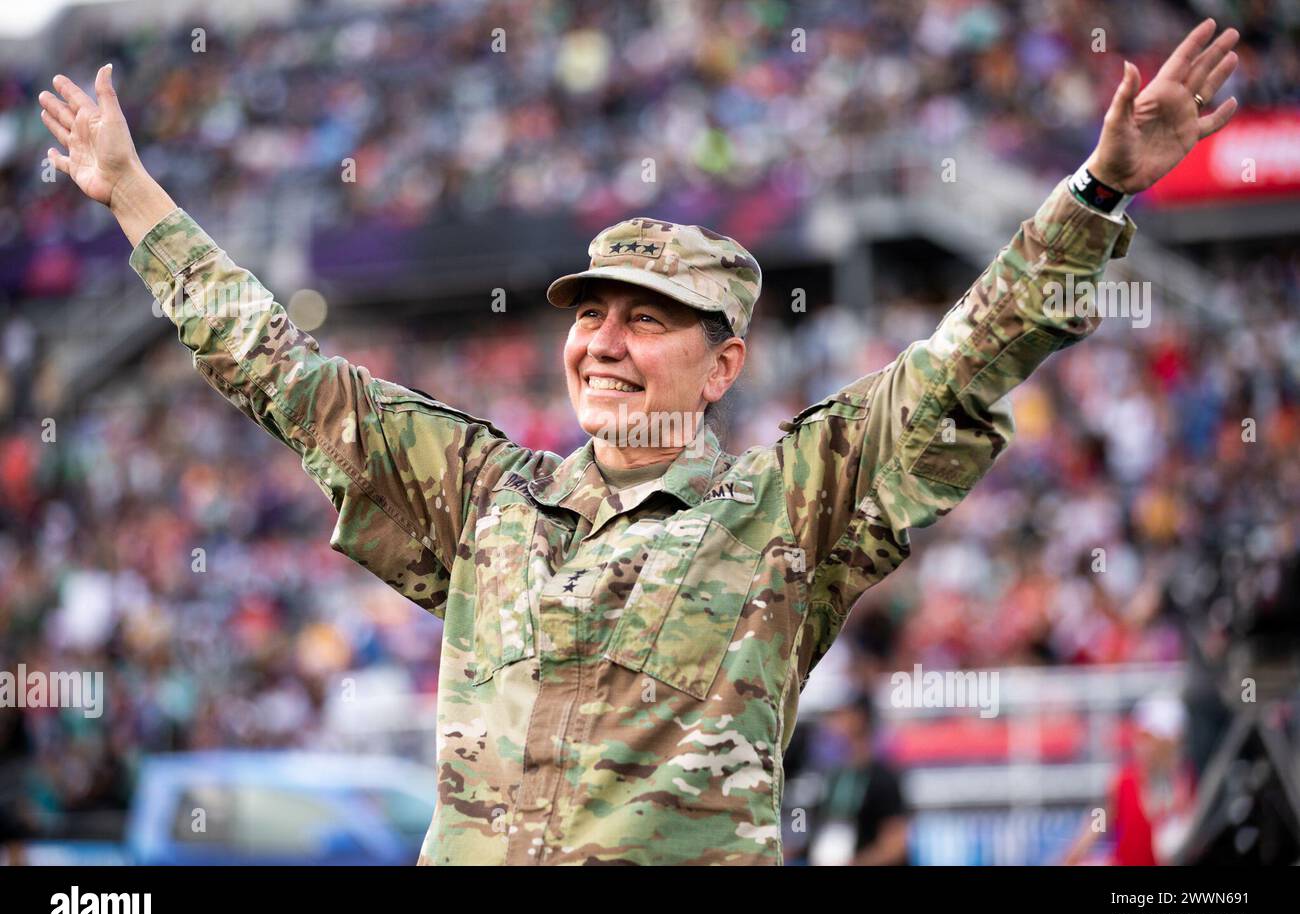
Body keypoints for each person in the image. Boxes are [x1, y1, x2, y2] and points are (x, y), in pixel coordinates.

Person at [38, 20, 1239, 865]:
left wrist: (1093, 192)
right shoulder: (481, 496)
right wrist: (138, 198)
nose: (603, 341)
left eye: (647, 317)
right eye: (591, 314)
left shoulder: (788, 512)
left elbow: (961, 365)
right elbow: (282, 373)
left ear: (723, 362)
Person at [1063, 693, 1196, 865]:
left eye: (1150, 738)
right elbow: (1093, 831)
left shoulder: (1187, 783)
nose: (1142, 744)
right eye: (1142, 736)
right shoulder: (1124, 782)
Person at [807, 695, 908, 866]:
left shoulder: (883, 778)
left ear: (860, 718)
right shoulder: (832, 776)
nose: (835, 722)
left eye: (843, 714)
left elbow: (895, 846)